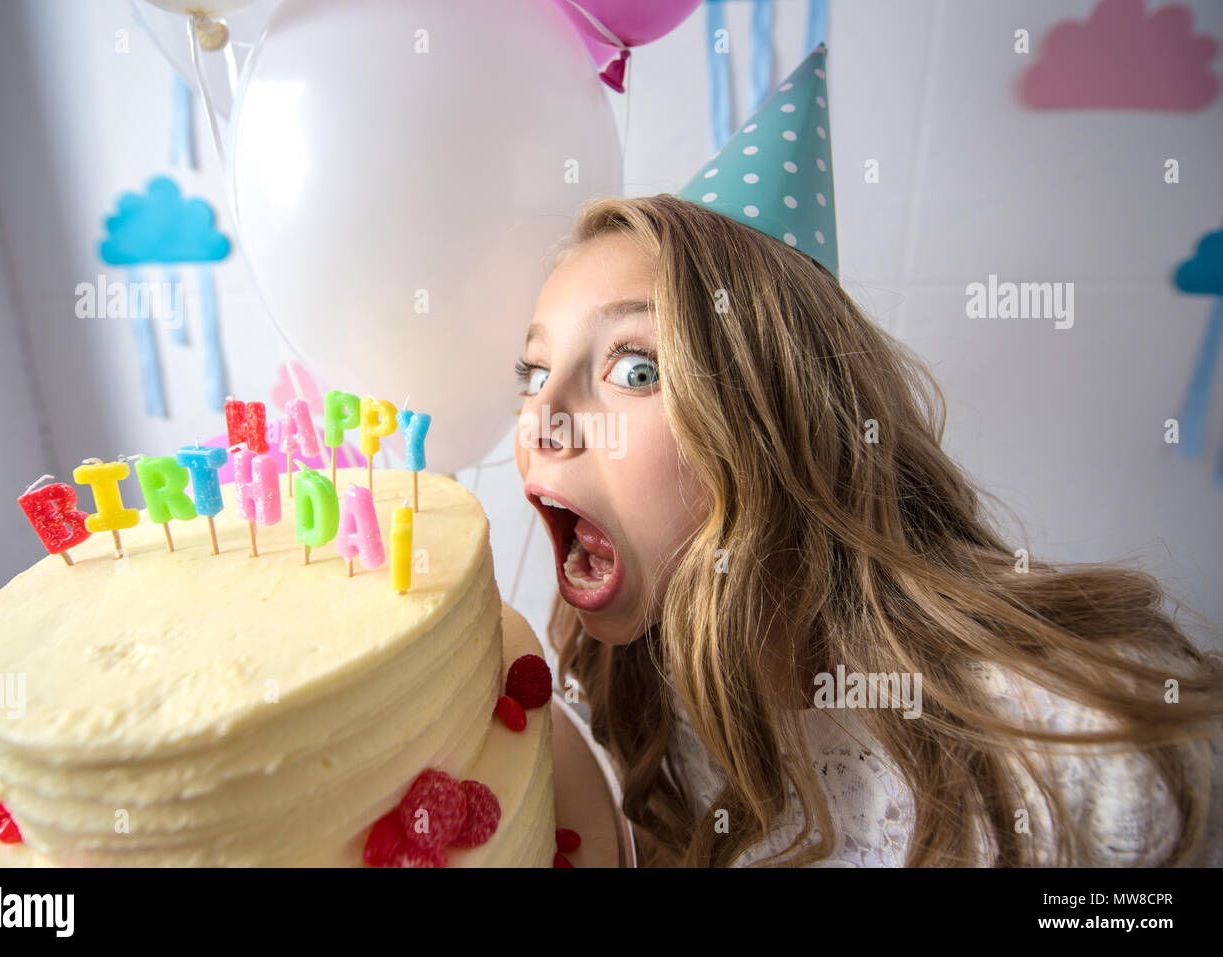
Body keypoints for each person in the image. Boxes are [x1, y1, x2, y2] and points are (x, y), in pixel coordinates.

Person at [511, 47, 1223, 868]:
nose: (542, 420)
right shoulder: (627, 709)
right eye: (532, 373)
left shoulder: (1085, 745)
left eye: (636, 368)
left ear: (779, 418)